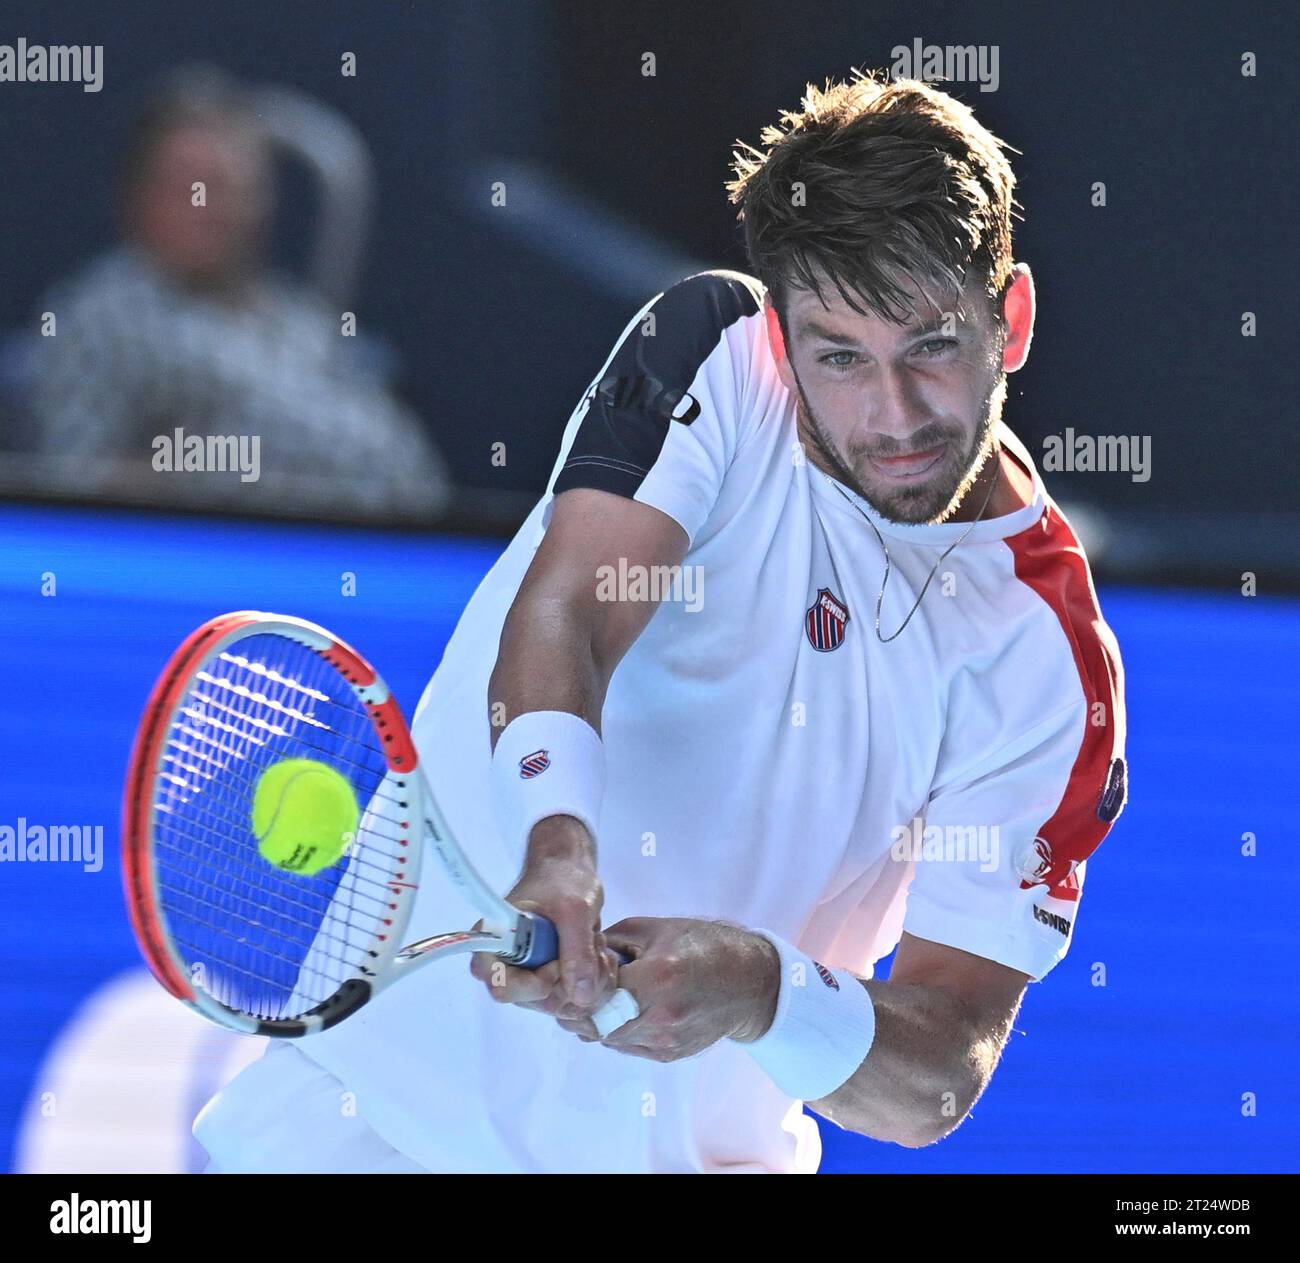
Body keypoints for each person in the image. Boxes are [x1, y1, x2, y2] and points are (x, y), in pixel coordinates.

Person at [194, 68, 1127, 1174]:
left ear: (1008, 320)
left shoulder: (1047, 668)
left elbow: (940, 1071)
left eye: (931, 345)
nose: (894, 416)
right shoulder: (717, 354)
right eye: (840, 356)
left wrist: (763, 992)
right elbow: (574, 611)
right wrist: (558, 840)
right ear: (782, 337)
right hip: (356, 1130)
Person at [27, 66, 450, 517]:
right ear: (138, 197)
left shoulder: (302, 319)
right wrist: (208, 474)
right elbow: (74, 488)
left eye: (228, 186)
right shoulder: (104, 315)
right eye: (188, 186)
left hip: (379, 548)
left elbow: (401, 454)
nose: (208, 208)